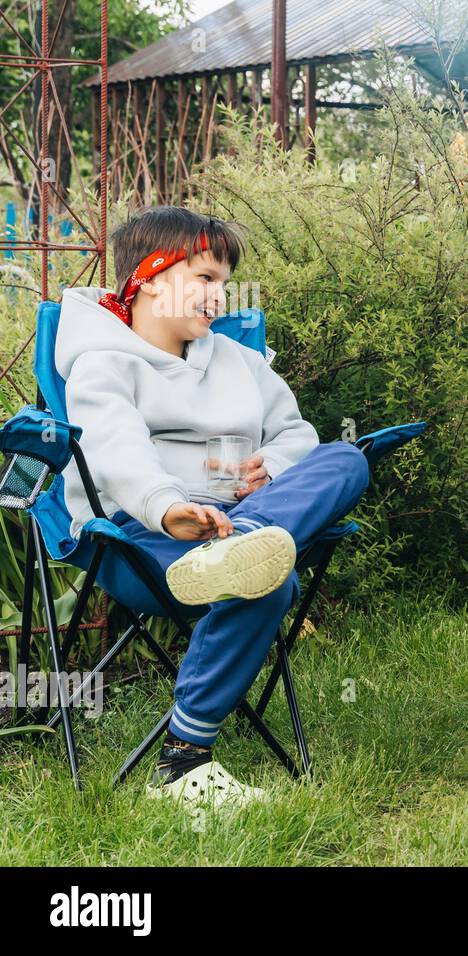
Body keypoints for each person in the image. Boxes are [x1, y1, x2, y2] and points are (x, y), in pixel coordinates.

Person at [58, 205, 371, 810]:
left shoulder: (241, 363)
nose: (218, 298)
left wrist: (271, 468)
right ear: (149, 277)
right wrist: (168, 506)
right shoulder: (101, 363)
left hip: (238, 523)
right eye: (205, 279)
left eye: (224, 285)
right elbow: (114, 448)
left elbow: (295, 436)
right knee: (270, 583)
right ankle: (185, 762)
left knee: (346, 459)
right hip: (140, 537)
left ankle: (245, 541)